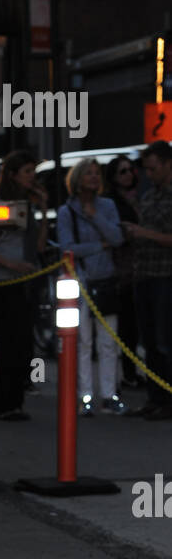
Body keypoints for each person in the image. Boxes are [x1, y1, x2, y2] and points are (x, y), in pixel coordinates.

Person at [57, 157, 127, 416]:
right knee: (83, 340)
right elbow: (67, 248)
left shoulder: (106, 206)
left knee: (108, 341)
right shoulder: (67, 212)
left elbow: (117, 237)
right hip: (80, 282)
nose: (94, 178)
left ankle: (109, 393)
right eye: (88, 173)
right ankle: (84, 395)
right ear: (77, 179)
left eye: (97, 173)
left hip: (105, 279)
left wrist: (96, 218)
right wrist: (99, 246)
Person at [0, 150, 48, 420]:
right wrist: (12, 266)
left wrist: (43, 209)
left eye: (33, 171)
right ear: (12, 175)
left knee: (22, 343)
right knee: (8, 343)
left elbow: (40, 245)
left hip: (26, 280)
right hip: (5, 281)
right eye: (27, 172)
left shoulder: (27, 205)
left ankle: (15, 401)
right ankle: (4, 403)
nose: (32, 177)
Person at [122, 139, 172, 420]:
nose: (149, 174)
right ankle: (156, 397)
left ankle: (168, 397)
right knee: (151, 341)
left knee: (165, 341)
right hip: (145, 273)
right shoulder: (150, 194)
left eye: (154, 168)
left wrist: (144, 234)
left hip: (166, 275)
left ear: (168, 164)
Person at [105, 154, 144, 390]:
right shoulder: (111, 202)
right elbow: (118, 235)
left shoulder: (141, 197)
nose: (129, 174)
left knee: (139, 324)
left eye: (131, 170)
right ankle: (127, 373)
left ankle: (135, 371)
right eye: (123, 171)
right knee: (126, 324)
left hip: (144, 264)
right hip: (122, 269)